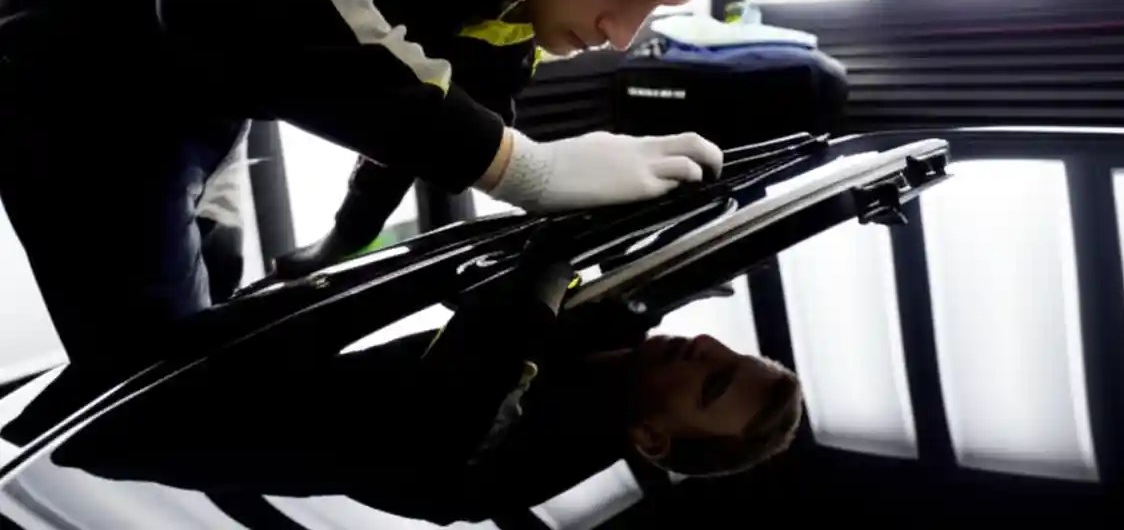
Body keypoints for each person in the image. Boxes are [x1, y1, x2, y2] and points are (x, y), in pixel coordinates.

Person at [0, 0, 750, 367]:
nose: (621, 34)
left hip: (207, 81)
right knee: (160, 373)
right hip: (75, 66)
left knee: (220, 304)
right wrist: (530, 166)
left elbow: (433, 107)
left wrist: (346, 235)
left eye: (653, 7)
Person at [46, 250, 804, 524]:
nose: (704, 350)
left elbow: (453, 415)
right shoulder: (629, 348)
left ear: (651, 439)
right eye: (726, 354)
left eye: (712, 384)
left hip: (147, 415)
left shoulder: (508, 473)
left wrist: (546, 280)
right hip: (255, 336)